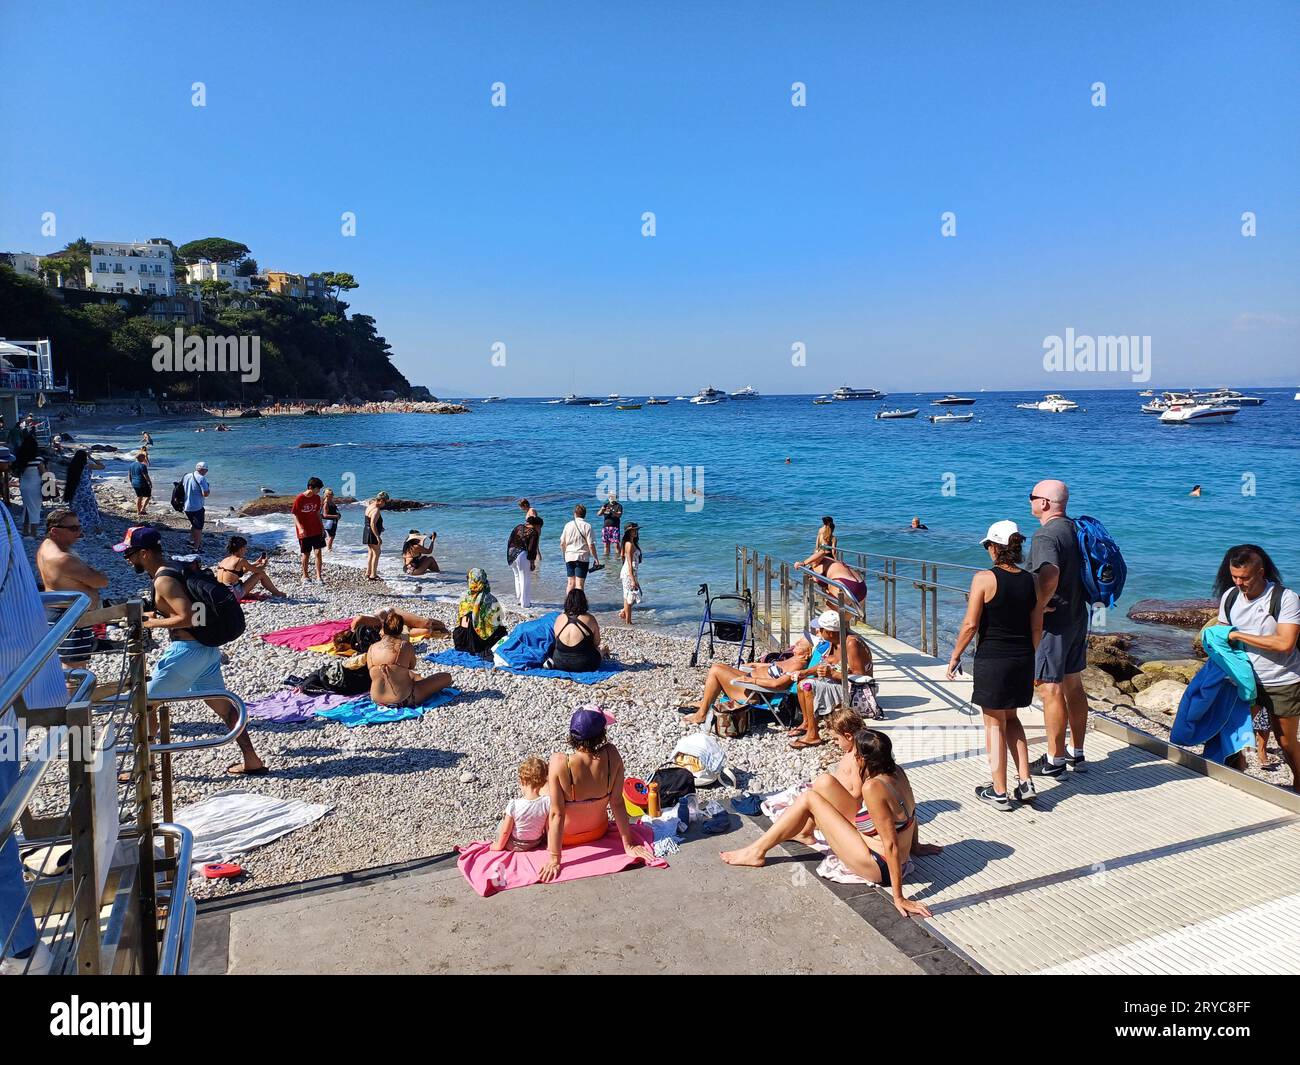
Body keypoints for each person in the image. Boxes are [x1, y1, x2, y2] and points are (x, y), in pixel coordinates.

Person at [721, 729, 932, 918]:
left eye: (855, 754)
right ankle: (803, 833)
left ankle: (756, 852)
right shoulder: (897, 772)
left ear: (862, 759)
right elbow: (911, 814)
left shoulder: (873, 788)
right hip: (876, 845)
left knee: (809, 798)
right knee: (824, 782)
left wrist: (899, 897)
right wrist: (916, 846)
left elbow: (891, 844)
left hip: (878, 865)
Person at [114, 525, 266, 776]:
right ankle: (252, 760)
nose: (127, 560)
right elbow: (182, 609)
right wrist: (150, 614)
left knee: (144, 704)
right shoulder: (176, 568)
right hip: (205, 651)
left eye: (129, 554)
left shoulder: (163, 580)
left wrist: (149, 623)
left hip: (186, 653)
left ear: (144, 553)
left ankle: (145, 769)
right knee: (226, 708)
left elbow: (186, 617)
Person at [947, 520, 1042, 809]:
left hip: (994, 660)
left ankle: (999, 791)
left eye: (988, 545)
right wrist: (1029, 656)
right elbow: (1036, 626)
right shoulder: (1031, 580)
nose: (987, 550)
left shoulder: (984, 579)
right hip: (1022, 657)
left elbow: (970, 624)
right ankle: (1025, 782)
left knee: (993, 725)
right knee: (1011, 719)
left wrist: (955, 656)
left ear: (995, 548)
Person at [1214, 545, 1300, 792]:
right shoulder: (1230, 597)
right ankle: (1233, 782)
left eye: (1245, 577)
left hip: (1281, 680)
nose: (1239, 583)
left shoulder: (1285, 598)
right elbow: (1222, 638)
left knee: (1286, 742)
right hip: (1242, 680)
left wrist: (1239, 634)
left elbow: (1285, 643)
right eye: (1235, 577)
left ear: (1261, 572)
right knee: (1232, 737)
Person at [539, 707, 654, 882]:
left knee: (542, 787)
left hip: (566, 838)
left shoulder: (559, 762)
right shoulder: (612, 756)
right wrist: (628, 845)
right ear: (602, 734)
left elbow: (557, 813)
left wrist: (555, 858)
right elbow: (617, 803)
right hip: (598, 831)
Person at [1027, 479, 1090, 777]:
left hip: (1055, 623)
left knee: (1050, 689)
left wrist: (1038, 604)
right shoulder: (1075, 529)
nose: (1030, 502)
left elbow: (1050, 572)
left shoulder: (1045, 535)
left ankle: (1055, 760)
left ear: (1046, 503)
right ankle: (1077, 754)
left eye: (1033, 497)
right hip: (1078, 616)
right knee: (1073, 685)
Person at [679, 634, 816, 724]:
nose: (795, 643)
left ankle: (701, 714)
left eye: (799, 644)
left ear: (807, 653)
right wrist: (757, 665)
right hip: (750, 684)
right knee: (718, 665)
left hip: (755, 692)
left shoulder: (798, 665)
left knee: (716, 671)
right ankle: (705, 702)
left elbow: (777, 684)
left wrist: (752, 681)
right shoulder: (794, 658)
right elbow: (774, 667)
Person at [35, 509, 108, 672]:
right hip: (71, 618)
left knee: (61, 668)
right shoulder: (63, 558)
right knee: (74, 671)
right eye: (73, 528)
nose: (80, 532)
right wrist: (93, 572)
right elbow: (101, 581)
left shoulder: (45, 547)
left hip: (56, 611)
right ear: (54, 531)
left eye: (79, 527)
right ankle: (74, 698)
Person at [790, 610, 874, 749]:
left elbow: (861, 677)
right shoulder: (834, 641)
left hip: (857, 691)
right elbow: (826, 663)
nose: (818, 631)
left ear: (829, 632)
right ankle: (807, 723)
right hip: (840, 684)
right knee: (801, 683)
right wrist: (804, 672)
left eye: (820, 629)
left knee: (808, 686)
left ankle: (813, 735)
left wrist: (832, 674)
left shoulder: (851, 643)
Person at [365, 609, 454, 707]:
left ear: (384, 628)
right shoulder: (404, 646)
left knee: (407, 673)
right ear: (401, 629)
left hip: (377, 699)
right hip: (404, 699)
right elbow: (412, 665)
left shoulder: (371, 648)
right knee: (446, 677)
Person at [491, 756, 552, 852]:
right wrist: (549, 844)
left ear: (522, 781)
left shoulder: (514, 805)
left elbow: (506, 832)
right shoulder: (547, 802)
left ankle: (499, 843)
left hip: (515, 844)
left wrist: (499, 846)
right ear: (543, 782)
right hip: (536, 842)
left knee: (501, 824)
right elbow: (548, 826)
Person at [550, 589, 606, 673]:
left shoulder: (559, 618)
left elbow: (556, 640)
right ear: (584, 602)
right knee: (600, 650)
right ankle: (604, 651)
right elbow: (596, 642)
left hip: (560, 662)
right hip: (583, 664)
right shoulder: (590, 618)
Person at [453, 567, 507, 654]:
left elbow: (461, 622)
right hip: (483, 641)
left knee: (468, 619)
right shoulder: (490, 598)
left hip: (465, 640)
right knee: (501, 632)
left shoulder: (464, 597)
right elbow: (498, 621)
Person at [215, 535, 284, 599]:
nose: (246, 550)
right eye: (245, 548)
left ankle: (276, 593)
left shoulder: (224, 560)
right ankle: (277, 593)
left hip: (221, 592)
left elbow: (234, 574)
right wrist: (264, 564)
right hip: (232, 594)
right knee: (261, 574)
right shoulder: (240, 560)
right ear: (241, 549)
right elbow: (259, 571)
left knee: (258, 574)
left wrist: (256, 563)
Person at [795, 547, 867, 608]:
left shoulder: (817, 563)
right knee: (843, 621)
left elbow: (822, 551)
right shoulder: (835, 562)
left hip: (844, 585)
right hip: (861, 586)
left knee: (829, 618)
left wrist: (803, 563)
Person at [291, 477, 327, 583]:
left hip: (316, 529)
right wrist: (300, 527)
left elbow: (317, 514)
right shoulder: (300, 498)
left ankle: (318, 576)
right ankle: (305, 575)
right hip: (304, 531)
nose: (319, 491)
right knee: (306, 554)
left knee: (318, 552)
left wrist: (322, 528)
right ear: (311, 487)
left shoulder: (317, 498)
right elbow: (294, 514)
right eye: (318, 488)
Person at [61, 448, 104, 536]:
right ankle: (98, 530)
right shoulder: (88, 466)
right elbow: (102, 466)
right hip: (87, 492)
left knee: (77, 512)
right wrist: (91, 457)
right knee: (92, 510)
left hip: (75, 492)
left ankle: (79, 531)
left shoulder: (72, 466)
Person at [11, 428, 45, 538]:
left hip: (24, 486)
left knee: (27, 507)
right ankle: (34, 533)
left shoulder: (21, 459)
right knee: (35, 508)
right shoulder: (38, 459)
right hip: (35, 487)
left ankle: (25, 530)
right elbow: (44, 473)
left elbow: (15, 474)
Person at [559, 504, 600, 592]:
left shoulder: (568, 525)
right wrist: (596, 559)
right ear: (585, 514)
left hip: (569, 556)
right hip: (582, 557)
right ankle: (579, 604)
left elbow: (562, 543)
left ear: (575, 514)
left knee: (570, 583)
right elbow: (591, 545)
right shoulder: (587, 526)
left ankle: (569, 604)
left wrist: (564, 554)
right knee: (579, 585)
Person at [507, 513, 543, 608]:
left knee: (517, 576)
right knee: (525, 579)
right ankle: (525, 604)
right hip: (521, 555)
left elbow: (510, 540)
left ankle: (519, 599)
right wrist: (532, 563)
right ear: (537, 525)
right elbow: (531, 549)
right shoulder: (533, 532)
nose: (540, 530)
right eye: (540, 528)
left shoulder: (518, 527)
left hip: (511, 553)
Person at [182, 461, 211, 552]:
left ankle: (191, 540)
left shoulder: (187, 476)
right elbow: (205, 494)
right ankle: (196, 547)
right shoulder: (202, 478)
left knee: (194, 524)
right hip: (197, 506)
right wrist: (208, 489)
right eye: (206, 470)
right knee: (198, 528)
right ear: (204, 470)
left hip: (186, 505)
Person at [618, 522, 642, 625]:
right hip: (629, 572)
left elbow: (622, 555)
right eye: (633, 530)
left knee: (631, 596)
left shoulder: (631, 543)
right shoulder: (629, 544)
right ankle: (628, 621)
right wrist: (633, 579)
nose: (635, 531)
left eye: (636, 530)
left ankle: (624, 612)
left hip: (630, 572)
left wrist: (635, 578)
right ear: (628, 532)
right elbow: (628, 562)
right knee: (630, 596)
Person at [362, 491, 388, 580]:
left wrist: (381, 527)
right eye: (385, 502)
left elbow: (370, 522)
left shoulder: (370, 505)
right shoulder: (376, 509)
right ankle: (373, 574)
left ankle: (368, 572)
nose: (385, 504)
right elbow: (373, 524)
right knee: (377, 553)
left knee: (371, 552)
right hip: (372, 534)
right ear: (381, 500)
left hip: (366, 531)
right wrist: (378, 537)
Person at [597, 492, 623, 560]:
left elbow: (619, 515)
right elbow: (598, 514)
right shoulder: (605, 505)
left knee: (616, 544)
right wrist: (602, 510)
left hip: (615, 527)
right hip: (606, 528)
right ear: (608, 498)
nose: (611, 498)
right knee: (606, 545)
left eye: (613, 497)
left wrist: (612, 511)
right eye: (610, 497)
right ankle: (607, 561)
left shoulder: (619, 506)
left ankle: (618, 560)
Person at [127, 450, 152, 517]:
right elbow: (145, 475)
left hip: (135, 483)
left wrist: (131, 482)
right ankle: (143, 509)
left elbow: (129, 475)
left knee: (139, 497)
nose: (144, 459)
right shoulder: (143, 466)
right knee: (148, 496)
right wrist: (150, 482)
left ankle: (138, 512)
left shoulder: (131, 465)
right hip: (142, 483)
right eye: (144, 458)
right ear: (140, 458)